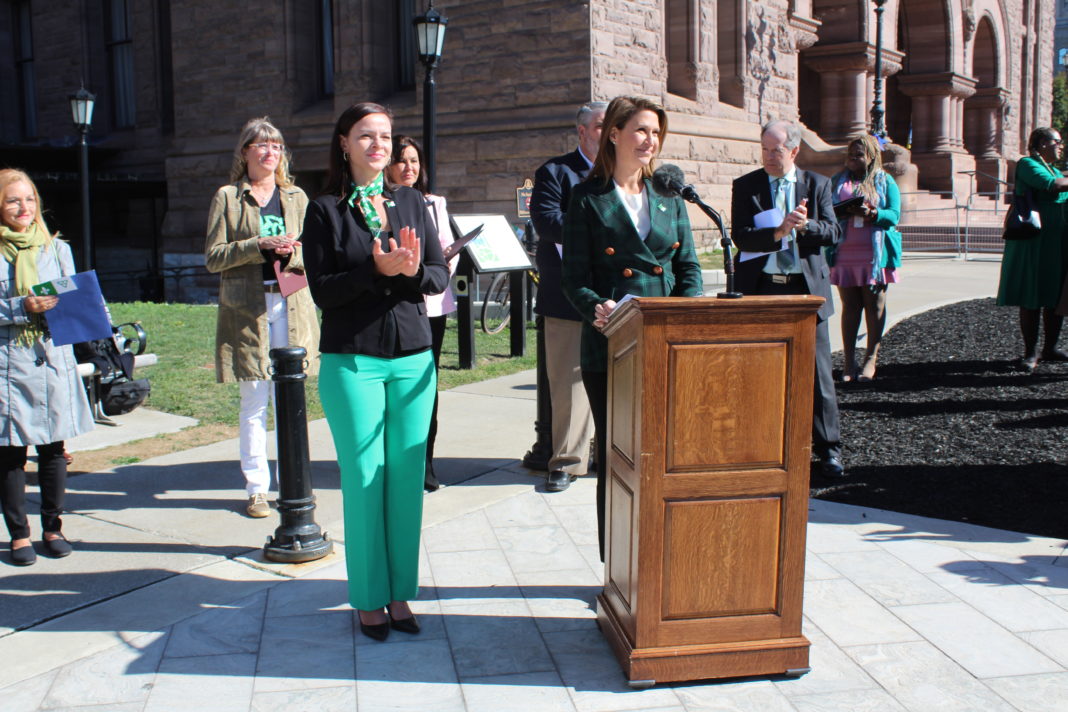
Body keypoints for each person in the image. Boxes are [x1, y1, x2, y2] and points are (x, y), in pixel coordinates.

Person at [301, 102, 448, 641]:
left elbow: (435, 274)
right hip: (353, 361)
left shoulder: (411, 201)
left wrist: (412, 271)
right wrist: (374, 269)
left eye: (384, 136)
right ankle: (367, 599)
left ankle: (399, 593)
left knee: (406, 480)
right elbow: (324, 290)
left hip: (413, 359)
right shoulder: (323, 210)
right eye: (366, 135)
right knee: (366, 481)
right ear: (344, 143)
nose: (378, 145)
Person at [561, 95, 703, 559]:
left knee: (664, 457)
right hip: (612, 345)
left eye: (656, 132)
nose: (650, 140)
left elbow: (689, 270)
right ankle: (619, 563)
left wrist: (682, 321)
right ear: (614, 134)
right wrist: (596, 308)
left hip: (665, 345)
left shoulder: (670, 195)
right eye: (641, 130)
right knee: (620, 458)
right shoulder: (588, 198)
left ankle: (663, 560)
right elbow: (574, 279)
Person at [204, 117, 321, 519]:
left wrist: (292, 253)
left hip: (290, 300)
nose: (270, 152)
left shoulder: (296, 196)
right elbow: (213, 257)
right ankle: (257, 488)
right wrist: (259, 245)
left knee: (292, 398)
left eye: (276, 146)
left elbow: (315, 253)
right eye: (261, 145)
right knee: (254, 400)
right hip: (248, 308)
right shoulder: (228, 197)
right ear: (245, 152)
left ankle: (296, 482)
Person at [731, 120, 844, 478]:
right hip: (763, 288)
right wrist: (777, 232)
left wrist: (805, 226)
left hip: (805, 291)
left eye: (775, 150)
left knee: (817, 373)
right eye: (763, 149)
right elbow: (742, 237)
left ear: (794, 151)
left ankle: (828, 451)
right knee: (760, 369)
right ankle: (760, 443)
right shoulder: (746, 185)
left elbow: (832, 231)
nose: (768, 156)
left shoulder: (818, 184)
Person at [0, 168, 94, 566]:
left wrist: (89, 310)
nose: (24, 208)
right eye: (12, 200)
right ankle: (19, 535)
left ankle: (53, 527)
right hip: (10, 363)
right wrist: (22, 306)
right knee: (10, 451)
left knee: (54, 448)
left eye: (29, 199)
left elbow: (74, 299)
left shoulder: (57, 249)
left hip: (53, 358)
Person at [529, 102, 604, 493]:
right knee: (569, 384)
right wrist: (599, 234)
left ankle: (610, 457)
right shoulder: (555, 172)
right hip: (567, 296)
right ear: (581, 131)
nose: (606, 134)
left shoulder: (627, 175)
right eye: (599, 127)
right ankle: (568, 462)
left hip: (618, 295)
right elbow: (546, 221)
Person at [386, 135, 456, 492]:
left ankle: (426, 463)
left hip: (433, 304)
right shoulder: (379, 203)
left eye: (414, 161)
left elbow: (445, 253)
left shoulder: (433, 203)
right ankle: (398, 462)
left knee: (427, 387)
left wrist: (443, 256)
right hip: (398, 305)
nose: (409, 168)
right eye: (402, 161)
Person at [828, 134, 901, 382]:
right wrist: (843, 212)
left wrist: (872, 213)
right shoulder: (837, 180)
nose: (853, 158)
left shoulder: (885, 180)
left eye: (859, 154)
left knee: (874, 305)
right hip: (845, 252)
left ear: (871, 156)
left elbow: (894, 215)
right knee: (850, 307)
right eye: (850, 154)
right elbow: (825, 208)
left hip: (874, 254)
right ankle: (849, 362)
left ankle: (871, 358)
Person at [998, 127, 1068, 371]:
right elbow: (1051, 185)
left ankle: (1050, 348)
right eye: (1056, 141)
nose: (1061, 145)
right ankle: (1030, 353)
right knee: (1032, 294)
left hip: (1057, 243)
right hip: (1033, 241)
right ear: (1040, 144)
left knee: (1055, 295)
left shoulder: (1057, 170)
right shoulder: (1027, 164)